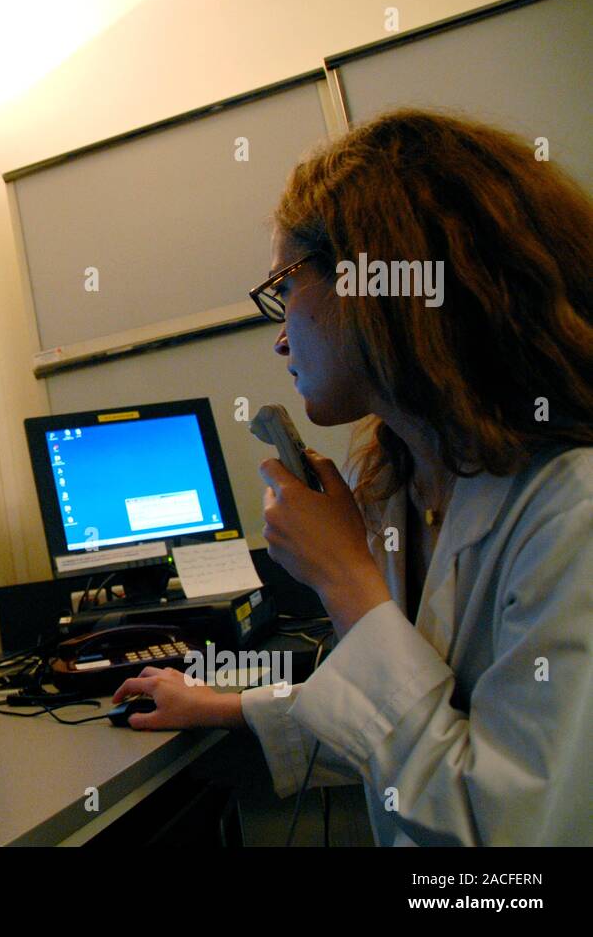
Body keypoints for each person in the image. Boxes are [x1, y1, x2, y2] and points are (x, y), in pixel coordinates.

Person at [112, 109, 593, 845]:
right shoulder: (412, 485)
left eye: (285, 285)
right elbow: (419, 718)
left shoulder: (572, 512)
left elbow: (501, 855)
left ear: (378, 281)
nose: (279, 336)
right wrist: (224, 708)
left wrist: (345, 579)